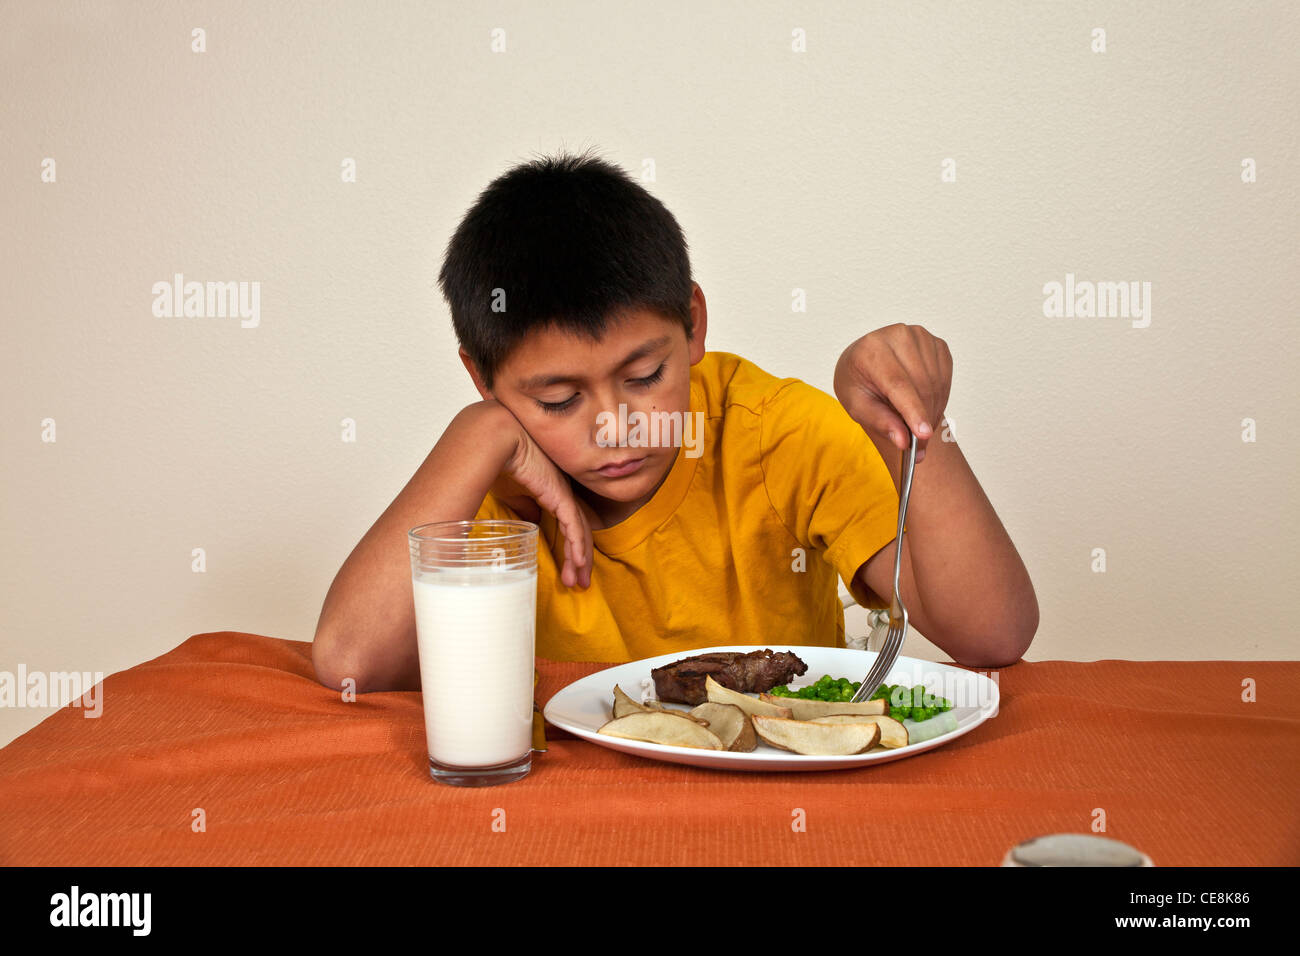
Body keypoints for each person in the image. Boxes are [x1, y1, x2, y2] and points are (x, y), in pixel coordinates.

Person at [311, 148, 1038, 692]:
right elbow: (350, 663)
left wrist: (910, 429)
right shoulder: (487, 480)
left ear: (693, 324)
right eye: (559, 401)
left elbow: (993, 635)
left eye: (645, 376)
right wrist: (476, 434)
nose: (616, 427)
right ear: (484, 379)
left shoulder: (769, 432)